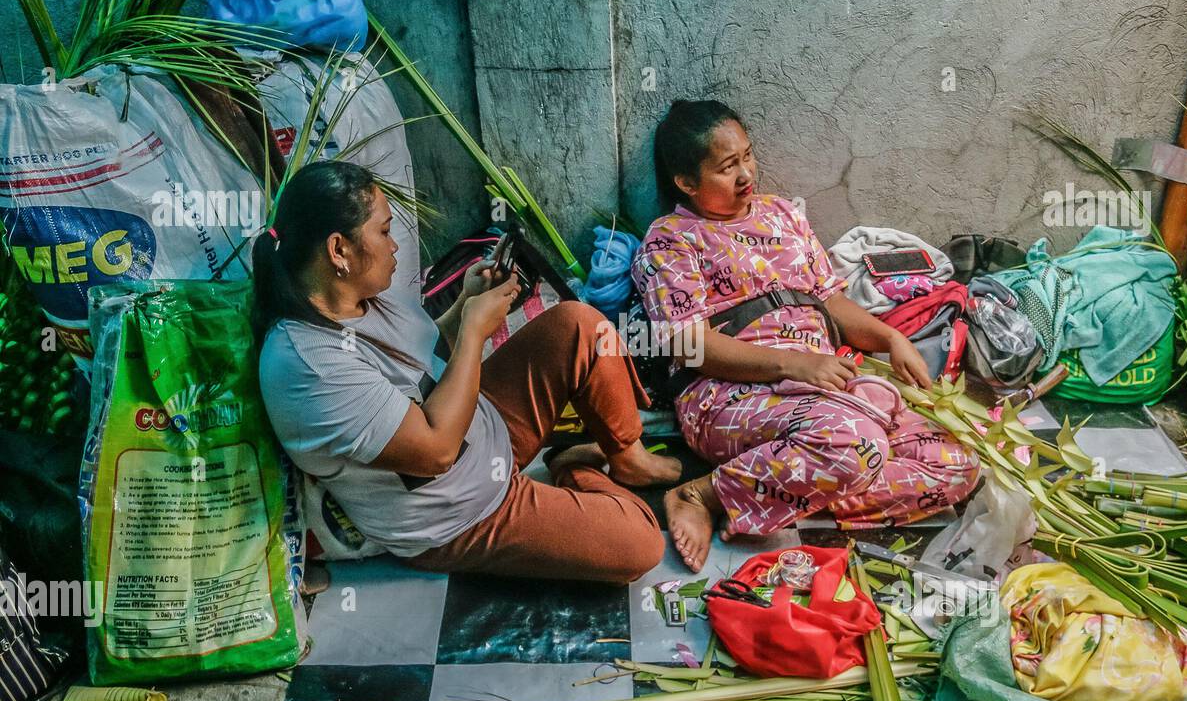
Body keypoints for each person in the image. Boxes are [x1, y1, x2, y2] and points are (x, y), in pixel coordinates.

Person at [254, 160, 680, 583]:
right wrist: (475, 330)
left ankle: (628, 458)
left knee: (580, 325)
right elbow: (436, 451)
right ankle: (572, 466)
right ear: (338, 250)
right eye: (383, 232)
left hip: (484, 427)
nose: (395, 246)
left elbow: (424, 357)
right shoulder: (310, 366)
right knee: (640, 544)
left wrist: (464, 306)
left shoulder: (358, 296)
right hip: (459, 511)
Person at [633, 100, 980, 572]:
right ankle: (702, 493)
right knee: (856, 442)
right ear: (686, 182)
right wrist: (794, 364)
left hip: (825, 388)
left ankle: (776, 491)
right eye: (727, 167)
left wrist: (891, 339)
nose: (745, 174)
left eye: (748, 157)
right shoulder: (671, 239)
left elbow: (831, 302)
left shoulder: (781, 215)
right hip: (730, 392)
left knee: (957, 461)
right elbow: (687, 346)